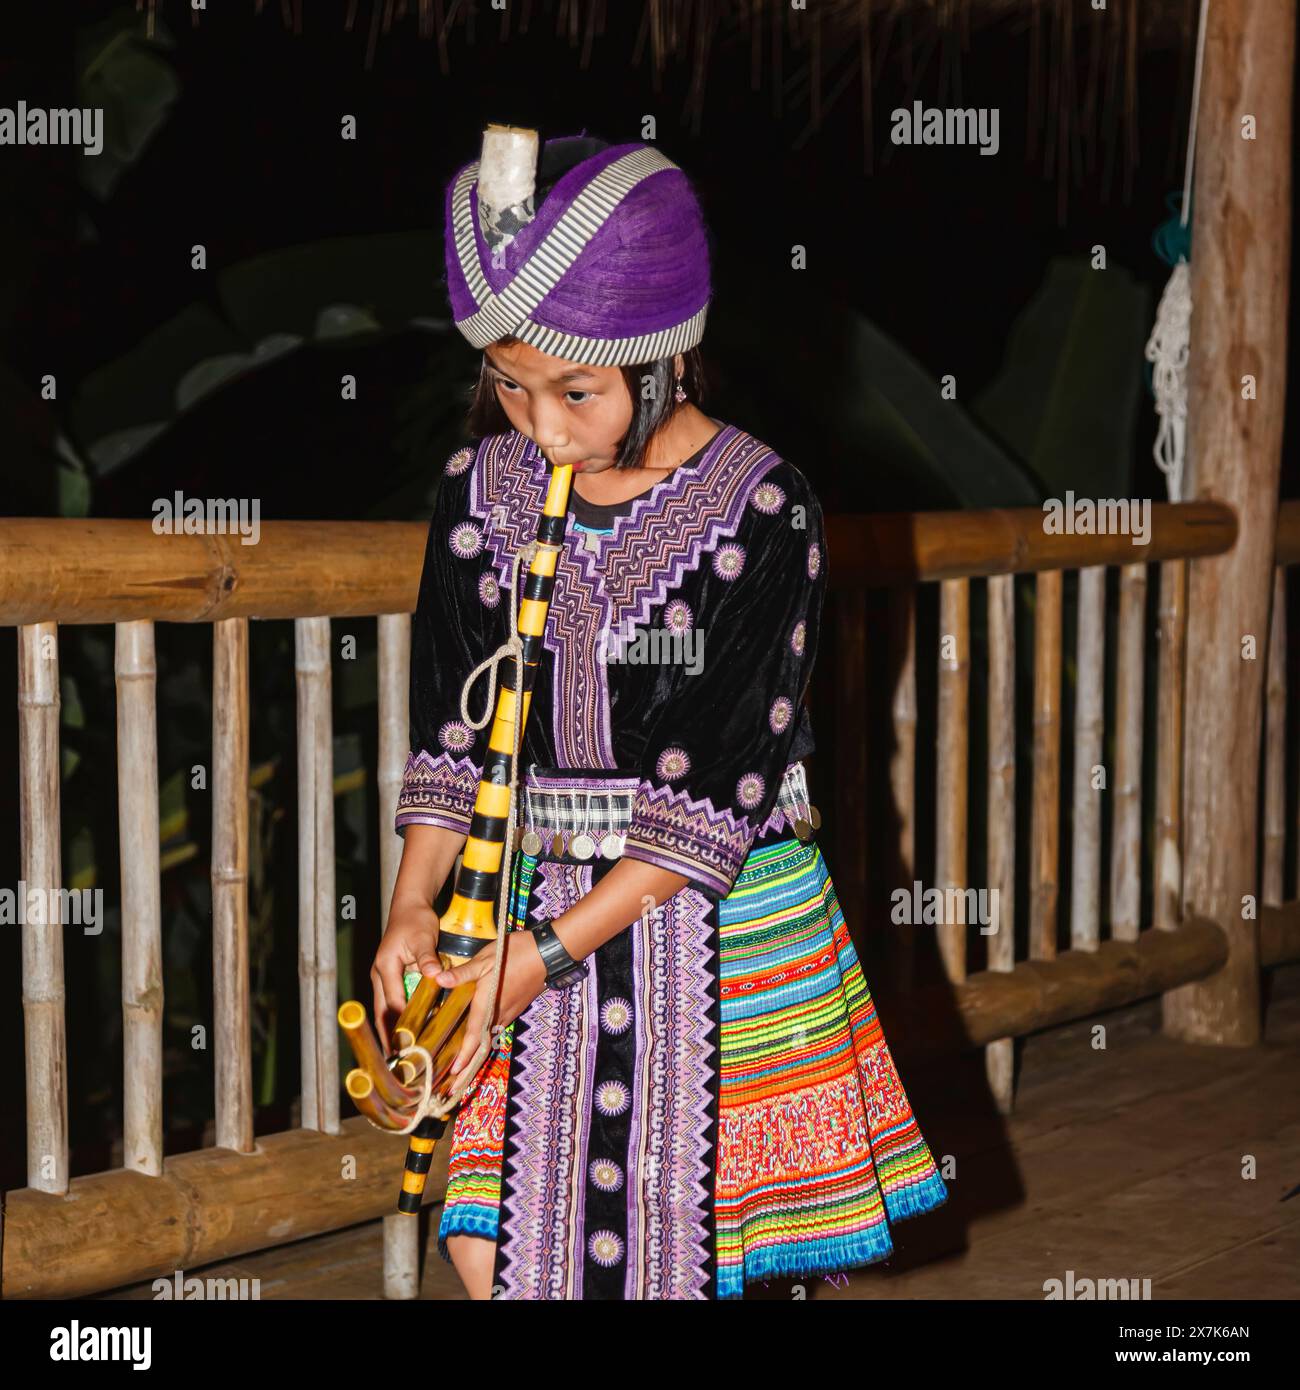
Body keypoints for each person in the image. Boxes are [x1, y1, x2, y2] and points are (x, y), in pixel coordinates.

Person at [371, 129, 948, 1301]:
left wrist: (533, 965)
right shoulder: (476, 493)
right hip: (523, 910)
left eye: (575, 390)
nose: (539, 423)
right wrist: (412, 909)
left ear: (668, 357)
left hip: (720, 911)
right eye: (509, 383)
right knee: (491, 1246)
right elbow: (451, 737)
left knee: (707, 1255)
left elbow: (709, 801)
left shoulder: (762, 507)